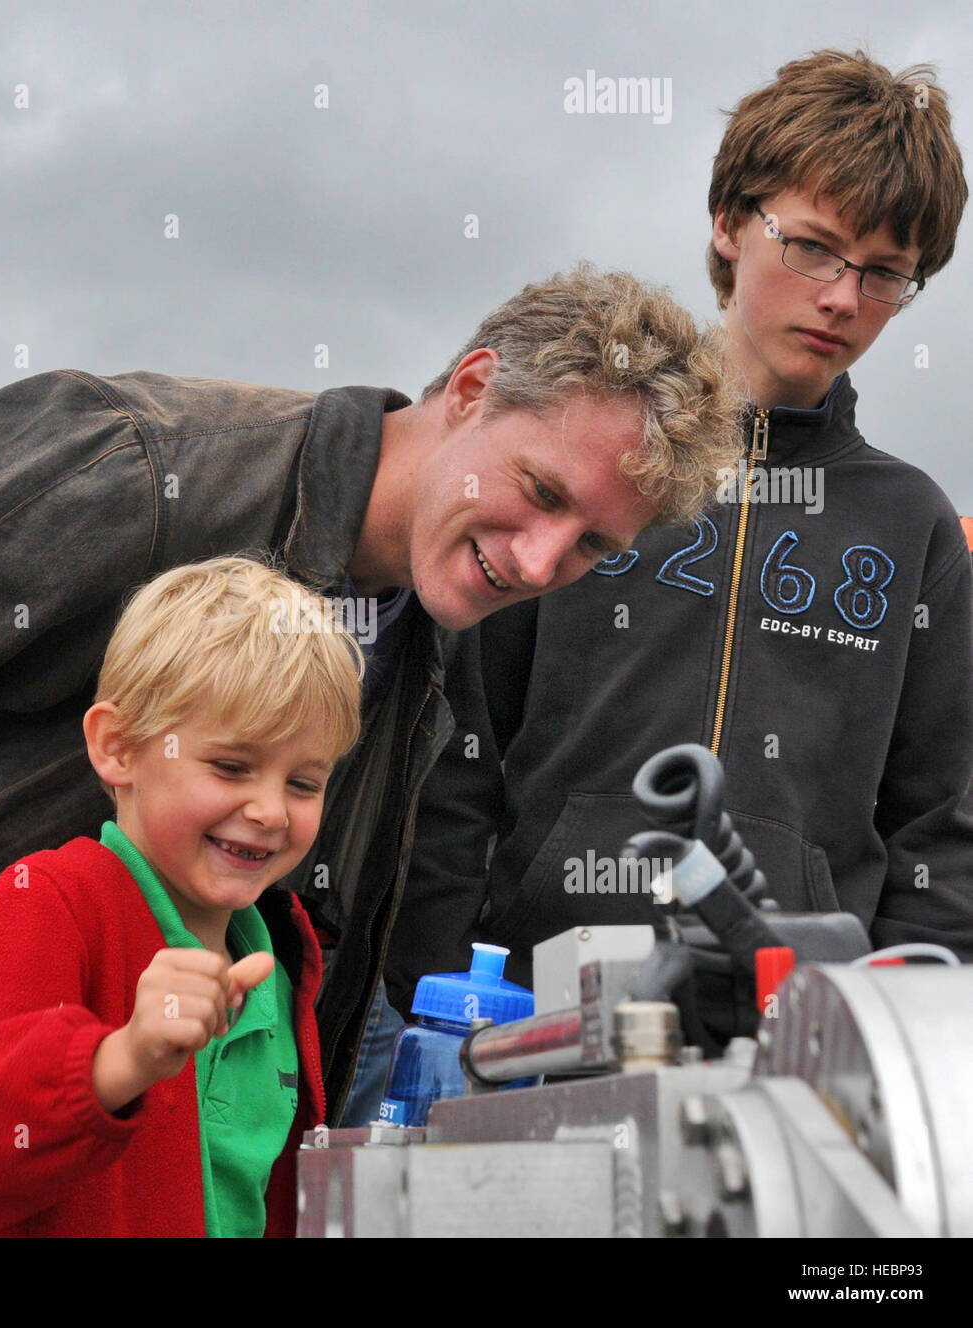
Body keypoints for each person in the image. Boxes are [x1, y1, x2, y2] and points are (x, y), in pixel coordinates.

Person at [0, 264, 742, 1232]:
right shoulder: (138, 462)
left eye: (592, 547)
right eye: (543, 491)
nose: (538, 560)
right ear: (473, 386)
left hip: (184, 1118)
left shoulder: (435, 628)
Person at [384, 51, 973, 1041]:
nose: (840, 297)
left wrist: (893, 1030)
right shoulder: (583, 462)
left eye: (883, 273)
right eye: (814, 247)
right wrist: (437, 992)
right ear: (729, 221)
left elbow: (943, 825)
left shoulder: (913, 524)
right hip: (524, 1022)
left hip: (796, 1047)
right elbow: (456, 745)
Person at [0, 558, 358, 1236]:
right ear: (118, 748)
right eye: (230, 766)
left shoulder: (280, 967)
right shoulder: (49, 904)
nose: (271, 810)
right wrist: (119, 1060)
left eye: (304, 783)